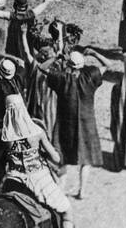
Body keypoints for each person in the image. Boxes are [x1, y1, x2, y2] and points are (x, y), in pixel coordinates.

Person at [0, 90, 73, 228]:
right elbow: (55, 158)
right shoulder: (36, 132)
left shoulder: (4, 134)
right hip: (38, 178)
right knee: (67, 210)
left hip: (14, 178)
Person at [48, 47, 111, 199]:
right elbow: (108, 65)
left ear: (68, 65)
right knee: (86, 158)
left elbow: (42, 68)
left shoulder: (61, 78)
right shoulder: (91, 75)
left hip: (65, 122)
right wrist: (95, 53)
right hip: (87, 120)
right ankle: (82, 191)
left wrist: (57, 58)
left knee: (61, 156)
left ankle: (60, 190)